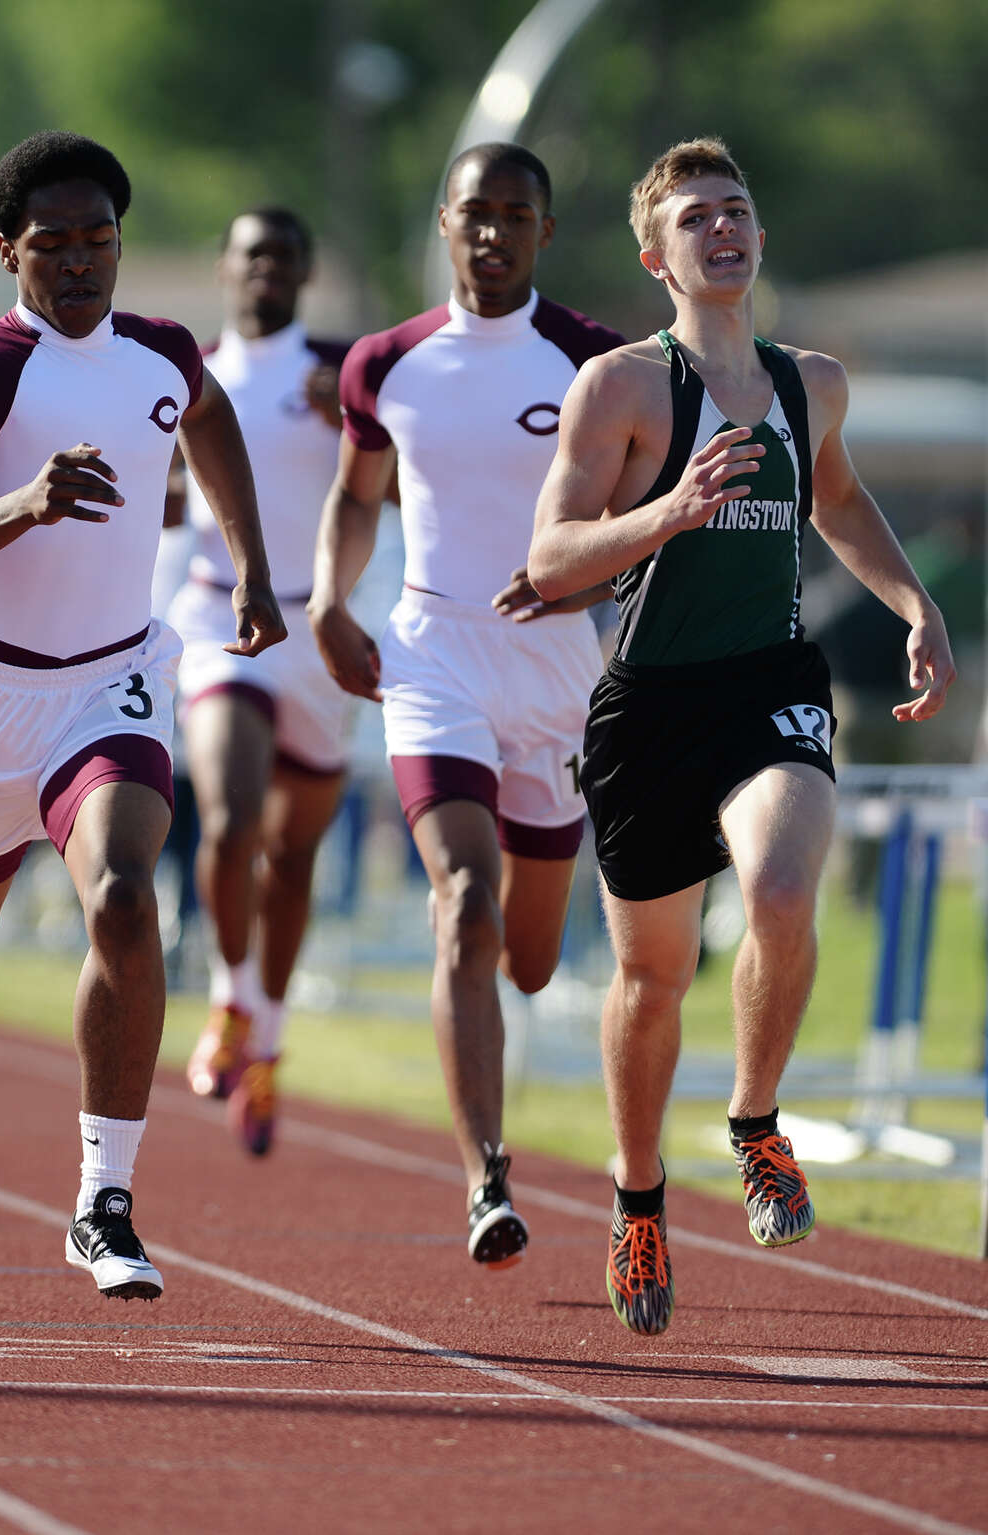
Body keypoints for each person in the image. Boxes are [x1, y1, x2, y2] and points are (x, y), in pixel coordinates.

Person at [528, 137, 955, 1335]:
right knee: (653, 978)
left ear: (759, 237)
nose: (723, 229)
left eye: (738, 210)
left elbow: (839, 496)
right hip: (648, 702)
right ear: (654, 252)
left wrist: (916, 603)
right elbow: (549, 559)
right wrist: (670, 509)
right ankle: (639, 1195)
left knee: (777, 882)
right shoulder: (617, 387)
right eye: (697, 216)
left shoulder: (810, 379)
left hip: (770, 681)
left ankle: (758, 1126)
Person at [0, 131, 285, 1302]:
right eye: (50, 245)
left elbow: (207, 420)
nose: (77, 265)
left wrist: (249, 563)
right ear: (8, 250)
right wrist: (29, 502)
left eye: (97, 242)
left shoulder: (162, 350)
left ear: (121, 244)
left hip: (113, 683)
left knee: (121, 891)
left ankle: (103, 1196)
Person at [309, 143, 624, 1269]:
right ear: (443, 223)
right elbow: (354, 499)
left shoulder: (595, 359)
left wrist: (585, 578)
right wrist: (326, 599)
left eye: (516, 216)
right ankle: (486, 1173)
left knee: (530, 955)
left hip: (552, 669)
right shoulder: (386, 363)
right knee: (462, 900)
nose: (493, 234)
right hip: (432, 654)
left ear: (545, 230)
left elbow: (639, 516)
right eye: (474, 213)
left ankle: (500, 1026)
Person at [166, 207, 353, 1157]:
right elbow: (160, 494)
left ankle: (269, 1043)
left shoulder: (341, 371)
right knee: (232, 817)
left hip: (314, 622)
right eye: (251, 256)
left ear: (304, 269)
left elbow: (402, 486)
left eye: (283, 255)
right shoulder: (189, 371)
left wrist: (352, 424)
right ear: (226, 268)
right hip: (218, 614)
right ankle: (229, 1001)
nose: (266, 270)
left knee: (291, 858)